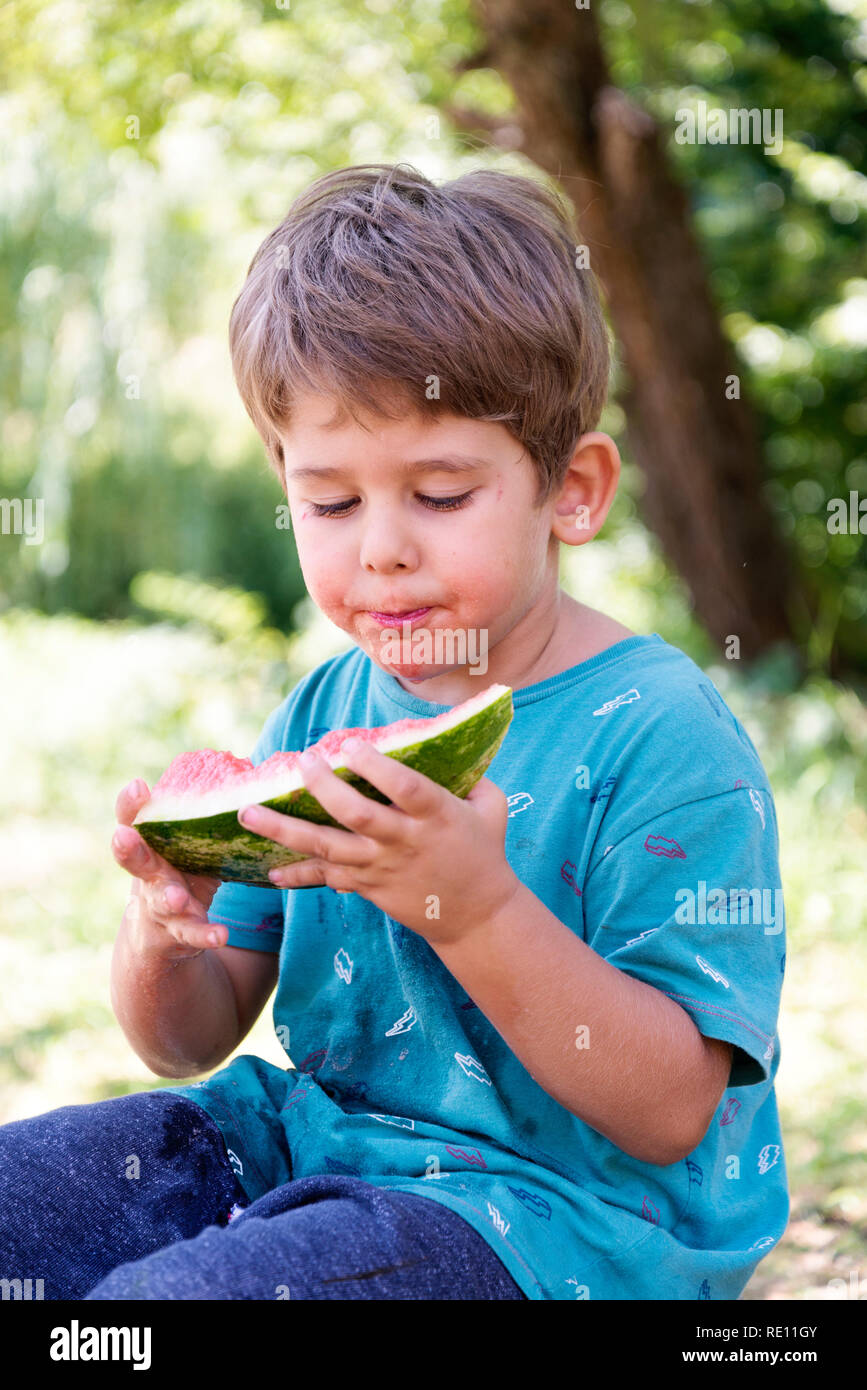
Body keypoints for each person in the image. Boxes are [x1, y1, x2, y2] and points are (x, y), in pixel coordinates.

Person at [0, 163, 788, 1301]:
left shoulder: (663, 737)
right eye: (331, 502)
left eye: (440, 493)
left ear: (572, 488)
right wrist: (163, 935)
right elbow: (190, 1040)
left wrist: (472, 908)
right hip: (306, 1144)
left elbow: (670, 1112)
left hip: (557, 1223)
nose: (381, 549)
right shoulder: (328, 708)